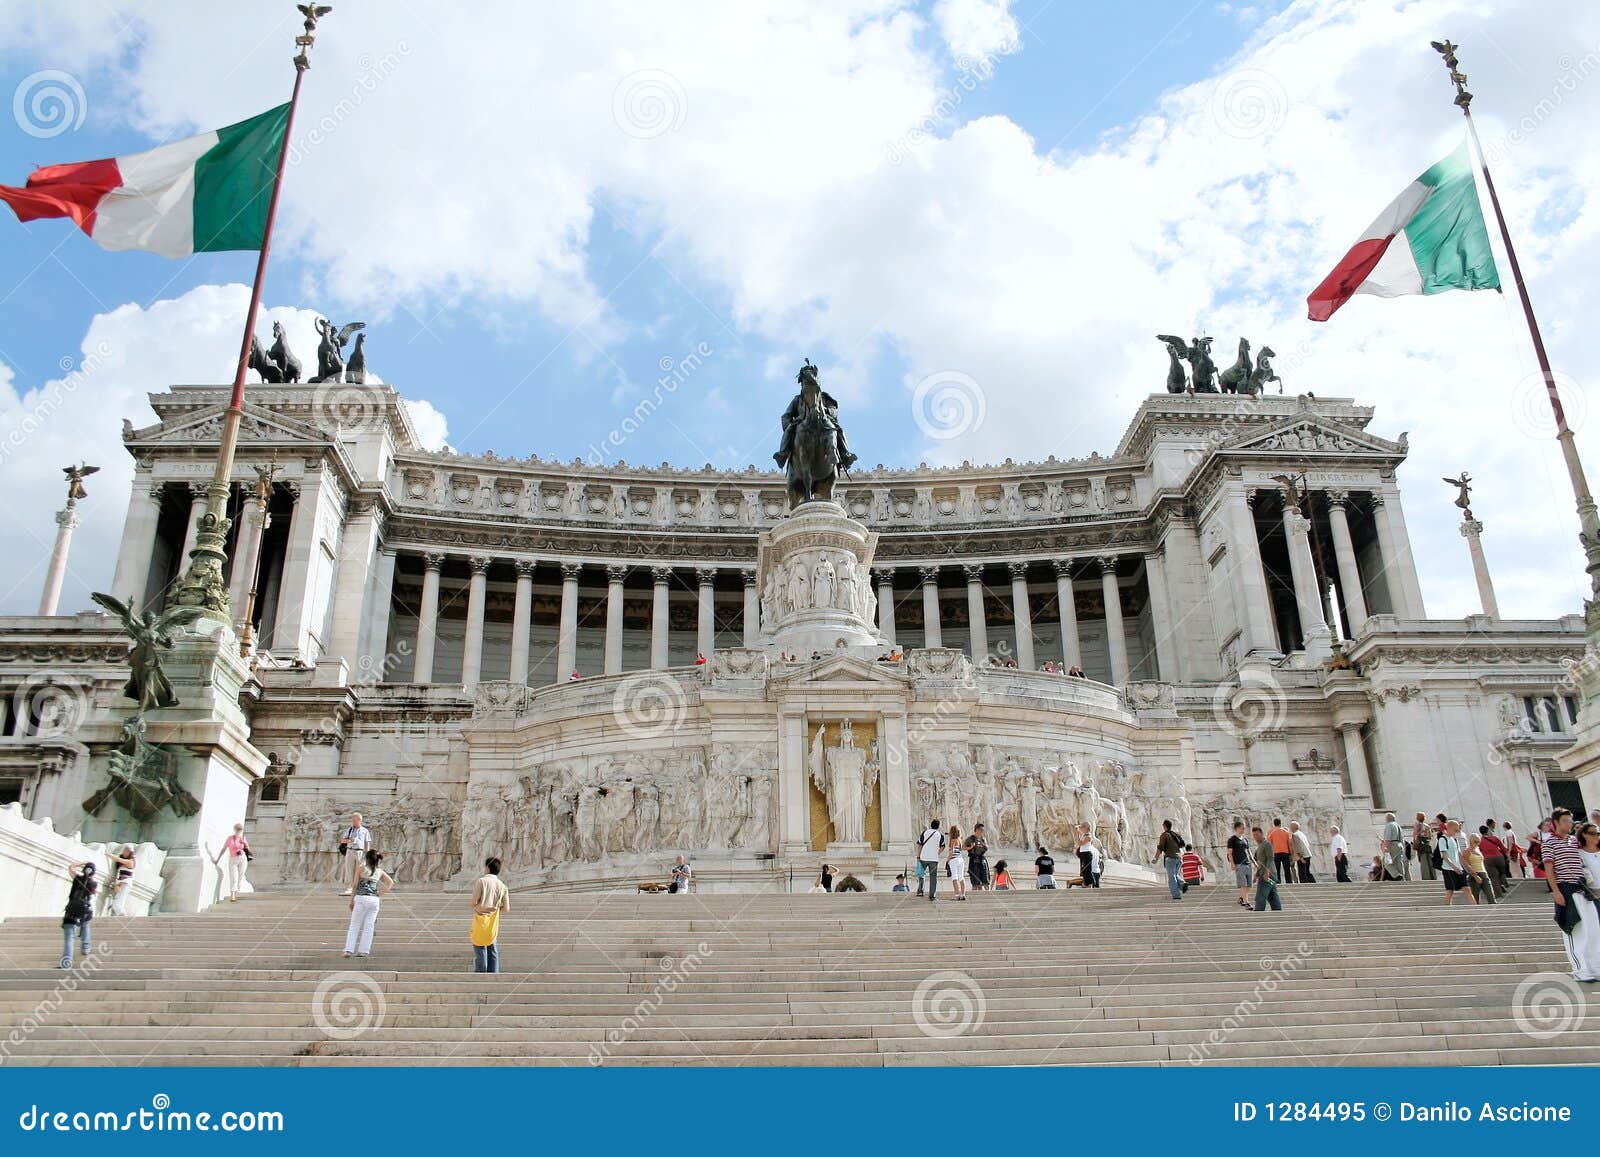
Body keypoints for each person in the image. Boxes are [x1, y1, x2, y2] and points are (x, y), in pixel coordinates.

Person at [1544, 809, 1595, 981]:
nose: (1569, 824)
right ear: (1556, 823)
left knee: (1589, 929)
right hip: (1565, 888)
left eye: (1570, 820)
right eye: (1565, 820)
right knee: (1573, 929)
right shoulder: (1549, 843)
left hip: (1582, 888)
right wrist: (1556, 891)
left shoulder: (1574, 841)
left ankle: (1592, 968)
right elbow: (1549, 869)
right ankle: (1579, 970)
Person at [344, 849, 393, 957]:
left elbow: (355, 885)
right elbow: (390, 882)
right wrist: (381, 893)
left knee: (355, 924)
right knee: (369, 926)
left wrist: (351, 900)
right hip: (374, 900)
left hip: (361, 898)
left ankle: (349, 949)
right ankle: (364, 951)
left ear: (367, 858)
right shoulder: (379, 871)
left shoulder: (361, 868)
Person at [1569, 822, 1600, 982]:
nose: (1597, 836)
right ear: (1585, 835)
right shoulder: (1579, 854)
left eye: (1598, 833)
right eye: (1594, 833)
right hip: (1592, 897)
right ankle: (1590, 967)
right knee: (1595, 932)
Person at [470, 856, 510, 973]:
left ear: (487, 868)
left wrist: (478, 905)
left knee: (479, 945)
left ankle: (481, 973)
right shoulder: (503, 886)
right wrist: (495, 908)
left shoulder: (481, 881)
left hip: (480, 917)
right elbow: (506, 908)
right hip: (493, 919)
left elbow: (473, 902)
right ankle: (494, 974)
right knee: (492, 946)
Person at [60, 862, 97, 968]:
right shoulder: (93, 884)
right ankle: (86, 947)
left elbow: (70, 867)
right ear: (93, 873)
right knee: (86, 923)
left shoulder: (77, 878)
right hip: (84, 911)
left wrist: (82, 863)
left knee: (69, 938)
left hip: (71, 910)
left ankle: (67, 963)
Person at [213, 824, 251, 902]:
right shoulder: (230, 839)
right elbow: (224, 849)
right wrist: (217, 859)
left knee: (240, 876)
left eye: (240, 829)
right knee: (234, 877)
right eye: (238, 829)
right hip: (233, 859)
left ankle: (237, 891)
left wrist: (244, 842)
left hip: (242, 858)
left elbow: (248, 848)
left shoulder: (243, 838)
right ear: (235, 829)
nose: (239, 830)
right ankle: (232, 894)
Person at [1436, 820, 1469, 905]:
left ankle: (1475, 907)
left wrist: (1468, 868)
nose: (1456, 832)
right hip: (1448, 868)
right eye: (1455, 830)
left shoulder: (1455, 840)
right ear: (1449, 828)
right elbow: (1445, 857)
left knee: (1467, 889)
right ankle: (1447, 908)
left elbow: (1459, 855)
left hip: (1459, 868)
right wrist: (1454, 867)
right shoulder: (1442, 839)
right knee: (1450, 891)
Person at [338, 813, 371, 895]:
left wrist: (367, 854)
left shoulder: (365, 831)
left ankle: (359, 887)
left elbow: (367, 843)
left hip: (360, 852)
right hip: (350, 850)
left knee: (359, 870)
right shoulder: (349, 830)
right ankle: (349, 887)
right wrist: (350, 840)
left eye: (354, 820)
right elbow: (342, 841)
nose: (353, 822)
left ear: (359, 820)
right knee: (349, 869)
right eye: (352, 820)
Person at [1251, 826, 1281, 912]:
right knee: (1272, 895)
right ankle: (1277, 911)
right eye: (1254, 835)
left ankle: (1258, 912)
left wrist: (1267, 872)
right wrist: (1256, 875)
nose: (1255, 837)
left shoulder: (1267, 844)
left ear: (1261, 834)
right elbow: (1261, 863)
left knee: (1260, 895)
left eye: (1257, 834)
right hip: (1267, 874)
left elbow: (1270, 858)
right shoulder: (1259, 846)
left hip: (1268, 875)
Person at [1154, 819, 1184, 901]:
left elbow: (1160, 848)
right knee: (1174, 875)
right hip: (1179, 859)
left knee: (1171, 878)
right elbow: (1182, 845)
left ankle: (1176, 895)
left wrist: (1155, 858)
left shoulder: (1164, 835)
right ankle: (1182, 884)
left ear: (1164, 826)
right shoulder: (1175, 834)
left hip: (1170, 858)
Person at [917, 819, 945, 902]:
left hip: (923, 857)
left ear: (931, 825)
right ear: (938, 826)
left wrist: (918, 856)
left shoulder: (925, 833)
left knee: (921, 874)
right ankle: (932, 895)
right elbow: (943, 846)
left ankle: (920, 891)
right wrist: (937, 853)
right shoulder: (940, 835)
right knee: (933, 877)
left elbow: (919, 845)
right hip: (934, 859)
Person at [1478, 825, 1511, 898]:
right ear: (1487, 831)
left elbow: (1479, 851)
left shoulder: (1480, 841)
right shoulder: (1495, 838)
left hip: (1487, 859)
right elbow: (1503, 849)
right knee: (1501, 873)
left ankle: (1498, 894)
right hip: (1499, 858)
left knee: (1493, 877)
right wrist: (1508, 856)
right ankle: (1503, 883)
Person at [1463, 833, 1495, 905]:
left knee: (1490, 895)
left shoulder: (1478, 849)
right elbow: (1467, 865)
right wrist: (1475, 876)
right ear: (1470, 841)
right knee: (1476, 897)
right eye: (1475, 841)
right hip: (1475, 874)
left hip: (1483, 872)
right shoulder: (1467, 851)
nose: (1477, 843)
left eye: (1478, 841)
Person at [1227, 821, 1253, 908]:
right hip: (1239, 864)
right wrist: (1232, 864)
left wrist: (1254, 862)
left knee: (1249, 885)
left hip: (1248, 863)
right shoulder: (1232, 840)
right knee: (1243, 884)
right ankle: (1246, 902)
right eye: (1242, 828)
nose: (1244, 830)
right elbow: (1230, 853)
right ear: (1237, 828)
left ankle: (1242, 898)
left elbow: (1249, 852)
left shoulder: (1245, 840)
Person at [106, 845, 136, 915]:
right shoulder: (123, 863)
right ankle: (121, 915)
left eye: (126, 851)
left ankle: (123, 916)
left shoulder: (130, 862)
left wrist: (108, 854)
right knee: (119, 902)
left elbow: (119, 860)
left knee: (117, 903)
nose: (124, 853)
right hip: (121, 884)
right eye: (124, 851)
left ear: (129, 853)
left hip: (125, 884)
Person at [1379, 812, 1405, 880]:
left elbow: (1388, 838)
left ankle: (1396, 875)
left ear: (1387, 819)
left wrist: (1385, 847)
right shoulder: (1398, 825)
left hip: (1392, 845)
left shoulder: (1389, 825)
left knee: (1386, 861)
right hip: (1399, 844)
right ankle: (1402, 878)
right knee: (1398, 863)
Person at [1267, 818, 1293, 886]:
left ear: (1274, 823)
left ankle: (1278, 884)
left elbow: (1269, 844)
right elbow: (1289, 843)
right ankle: (1289, 883)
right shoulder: (1286, 832)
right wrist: (1291, 854)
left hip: (1276, 853)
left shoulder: (1271, 832)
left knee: (1276, 870)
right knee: (1287, 870)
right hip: (1285, 852)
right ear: (1280, 823)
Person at [965, 824, 990, 891]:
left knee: (985, 879)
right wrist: (971, 847)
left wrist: (983, 845)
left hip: (982, 859)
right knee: (975, 881)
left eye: (983, 830)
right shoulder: (970, 839)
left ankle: (988, 896)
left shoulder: (983, 839)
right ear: (977, 830)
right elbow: (963, 847)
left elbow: (987, 847)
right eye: (981, 830)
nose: (982, 831)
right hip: (973, 860)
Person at [1413, 812, 1436, 882]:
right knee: (1430, 861)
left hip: (1421, 845)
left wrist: (1415, 840)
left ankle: (1426, 877)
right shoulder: (1427, 826)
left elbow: (1415, 835)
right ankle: (1433, 876)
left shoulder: (1417, 825)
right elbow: (1430, 836)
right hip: (1427, 844)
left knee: (1424, 861)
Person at [946, 826, 968, 901]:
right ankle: (963, 894)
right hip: (960, 859)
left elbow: (951, 851)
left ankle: (957, 895)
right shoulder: (960, 840)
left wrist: (948, 860)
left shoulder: (952, 840)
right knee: (961, 877)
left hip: (954, 860)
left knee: (954, 877)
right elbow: (961, 849)